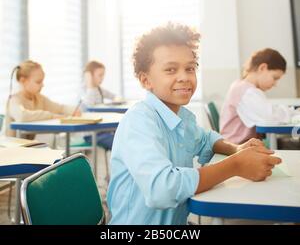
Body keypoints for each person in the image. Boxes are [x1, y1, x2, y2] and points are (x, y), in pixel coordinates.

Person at [107, 23, 281, 225]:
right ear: (146, 80)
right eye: (171, 69)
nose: (184, 77)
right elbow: (162, 188)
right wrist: (236, 165)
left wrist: (236, 148)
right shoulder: (139, 121)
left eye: (190, 68)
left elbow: (206, 139)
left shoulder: (182, 117)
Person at [220, 48, 299, 144]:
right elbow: (269, 118)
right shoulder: (247, 92)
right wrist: (294, 114)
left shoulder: (243, 87)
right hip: (238, 147)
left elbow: (267, 112)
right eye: (275, 78)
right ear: (262, 68)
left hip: (241, 145)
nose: (275, 84)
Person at [5, 60, 80, 137]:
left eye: (42, 81)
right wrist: (52, 116)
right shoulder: (13, 100)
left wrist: (74, 111)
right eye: (38, 82)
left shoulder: (39, 98)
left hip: (29, 146)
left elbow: (60, 108)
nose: (42, 85)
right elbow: (22, 116)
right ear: (23, 81)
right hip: (11, 147)